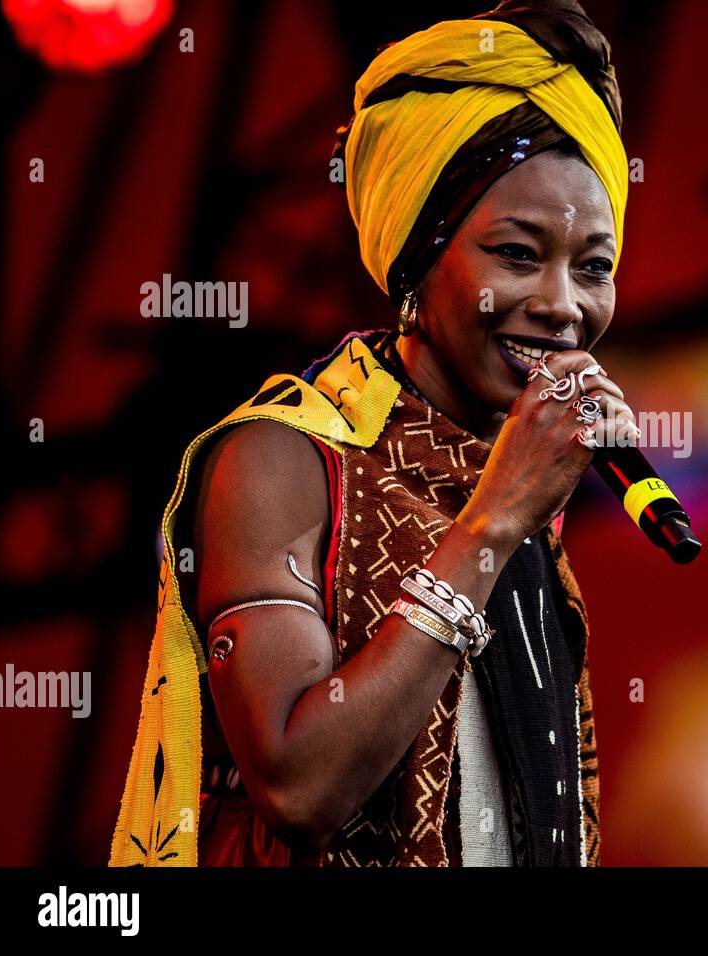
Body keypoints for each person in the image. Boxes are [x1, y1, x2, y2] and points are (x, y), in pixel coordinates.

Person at [108, 0, 634, 867]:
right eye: (516, 253)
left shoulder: (512, 488)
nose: (562, 305)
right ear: (418, 259)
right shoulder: (282, 458)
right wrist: (491, 524)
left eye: (594, 268)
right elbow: (298, 790)